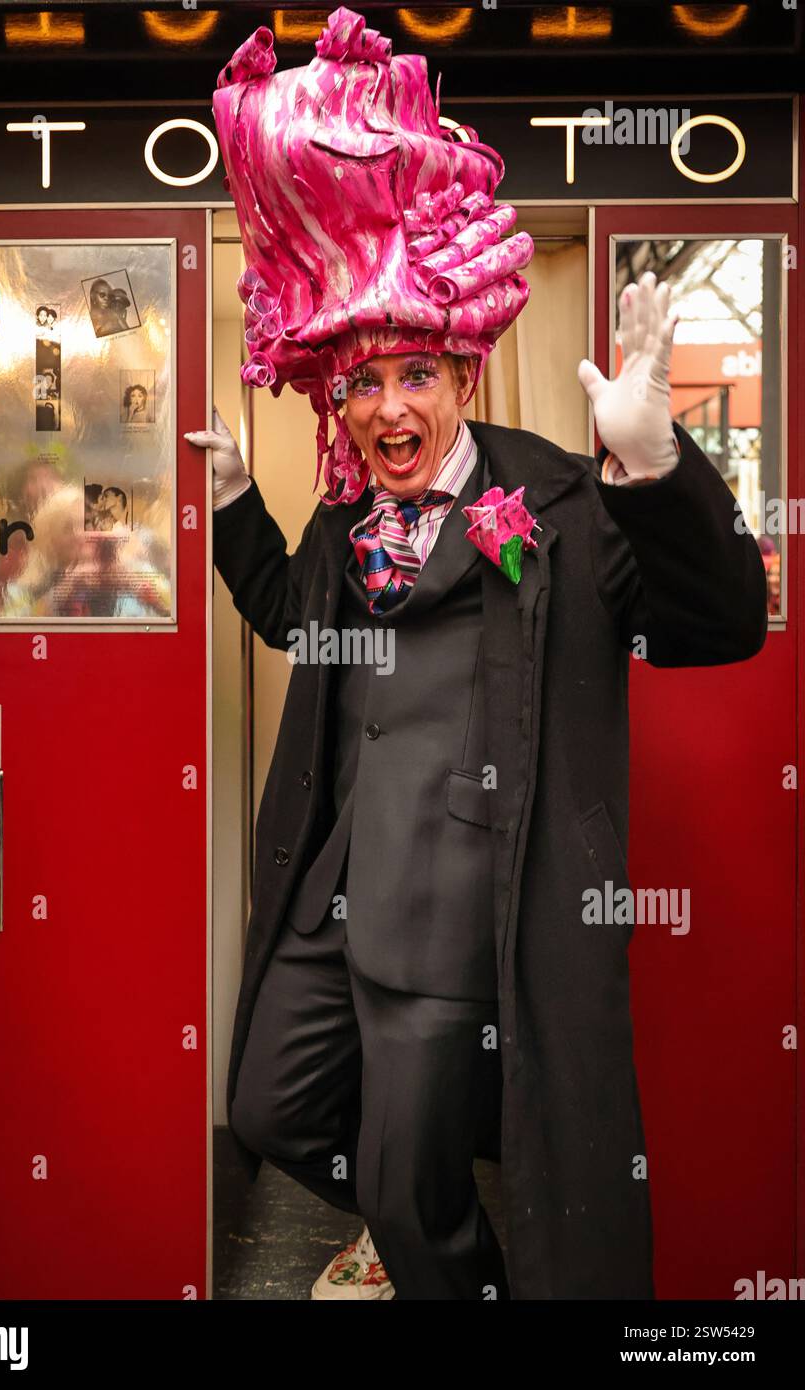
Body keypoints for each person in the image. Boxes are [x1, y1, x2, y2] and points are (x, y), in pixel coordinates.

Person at [186, 6, 767, 1302]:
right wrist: (235, 498)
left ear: (460, 367)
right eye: (358, 385)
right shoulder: (346, 517)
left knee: (407, 1193)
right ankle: (422, 1217)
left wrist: (656, 469)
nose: (385, 408)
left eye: (409, 376)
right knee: (271, 1102)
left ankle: (450, 1265)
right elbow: (292, 616)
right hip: (345, 901)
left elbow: (723, 624)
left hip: (470, 928)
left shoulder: (565, 497)